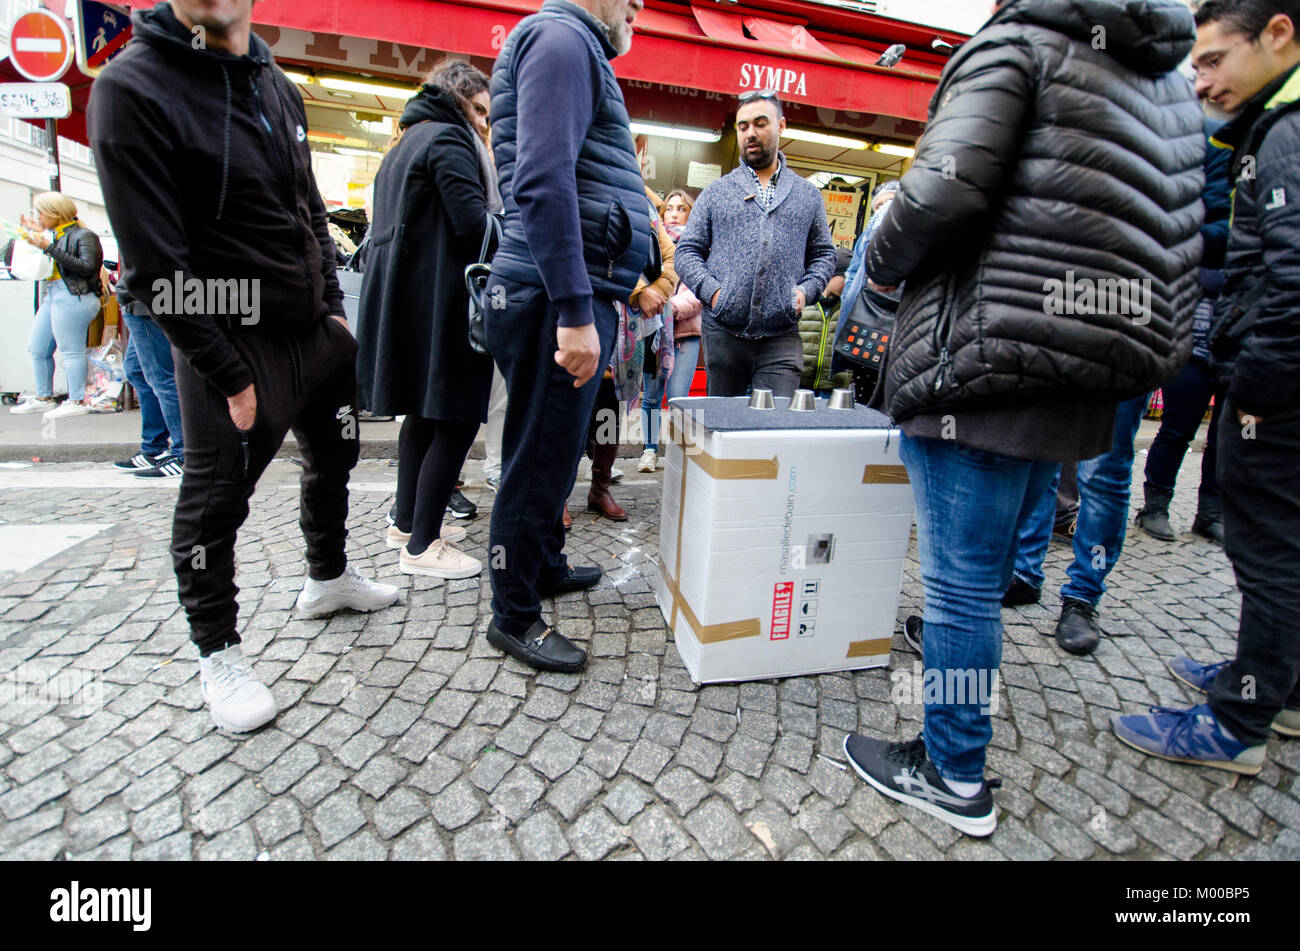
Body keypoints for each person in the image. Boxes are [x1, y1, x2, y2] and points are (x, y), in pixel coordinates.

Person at [841, 0, 1204, 836]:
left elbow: (940, 191)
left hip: (988, 354)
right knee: (988, 559)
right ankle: (950, 662)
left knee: (961, 579)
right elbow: (1181, 241)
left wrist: (884, 266)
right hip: (1089, 373)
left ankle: (952, 769)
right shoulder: (1171, 84)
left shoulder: (1022, 40)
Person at [89, 0, 399, 734]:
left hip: (313, 332)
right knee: (215, 499)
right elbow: (152, 268)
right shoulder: (130, 88)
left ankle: (327, 577)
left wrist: (332, 308)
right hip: (231, 342)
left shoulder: (274, 79)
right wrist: (227, 372)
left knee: (338, 453)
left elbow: (310, 209)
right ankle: (217, 651)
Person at [1113, 0, 1300, 774]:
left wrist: (1251, 388)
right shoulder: (1269, 128)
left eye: (1216, 58)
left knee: (1272, 556)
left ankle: (1237, 723)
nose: (1202, 78)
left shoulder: (1286, 136)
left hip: (1276, 396)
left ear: (1279, 35)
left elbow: (1290, 279)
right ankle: (1277, 691)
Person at [484, 0, 652, 673]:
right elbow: (543, 180)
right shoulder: (562, 41)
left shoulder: (570, 44)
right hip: (558, 295)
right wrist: (577, 310)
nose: (638, 7)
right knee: (539, 456)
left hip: (559, 288)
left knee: (552, 451)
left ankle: (543, 564)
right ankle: (514, 614)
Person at [356, 61, 497, 579]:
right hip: (442, 305)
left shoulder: (402, 145)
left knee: (420, 415)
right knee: (456, 418)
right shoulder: (449, 140)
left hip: (408, 304)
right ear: (459, 100)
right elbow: (471, 225)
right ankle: (422, 545)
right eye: (480, 111)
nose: (484, 124)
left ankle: (406, 519)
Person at [674, 91, 837, 398]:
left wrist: (805, 292)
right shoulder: (716, 192)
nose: (750, 133)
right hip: (723, 332)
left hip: (782, 335)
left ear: (781, 126)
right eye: (743, 126)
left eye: (761, 124)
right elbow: (687, 252)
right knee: (723, 431)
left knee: (773, 429)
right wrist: (715, 294)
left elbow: (824, 255)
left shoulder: (807, 195)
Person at [1134, 119, 1234, 545]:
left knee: (1226, 435)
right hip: (1194, 336)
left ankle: (1210, 510)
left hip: (1239, 340)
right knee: (1178, 426)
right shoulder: (1204, 216)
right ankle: (1155, 505)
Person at [593, 185, 675, 517]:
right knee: (577, 411)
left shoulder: (645, 205)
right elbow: (591, 253)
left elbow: (670, 257)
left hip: (634, 327)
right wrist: (638, 290)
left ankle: (599, 490)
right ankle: (560, 496)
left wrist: (658, 289)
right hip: (593, 313)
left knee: (609, 413)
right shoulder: (593, 191)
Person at [9, 193, 103, 419]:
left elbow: (87, 267)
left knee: (71, 350)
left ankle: (77, 400)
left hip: (74, 295)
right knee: (37, 347)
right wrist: (37, 237)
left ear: (55, 213)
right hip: (53, 293)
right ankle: (44, 397)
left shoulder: (84, 235)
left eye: (41, 212)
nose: (38, 216)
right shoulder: (56, 234)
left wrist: (48, 247)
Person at [639, 187, 699, 472]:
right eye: (670, 208)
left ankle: (675, 453)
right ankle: (649, 450)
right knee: (650, 396)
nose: (675, 214)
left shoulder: (700, 247)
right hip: (653, 331)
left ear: (691, 212)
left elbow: (698, 293)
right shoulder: (654, 243)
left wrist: (665, 305)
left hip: (685, 334)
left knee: (678, 399)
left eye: (682, 208)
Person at [114, 280, 185, 478]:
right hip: (141, 301)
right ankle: (155, 447)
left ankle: (185, 454)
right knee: (137, 372)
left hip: (145, 303)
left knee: (162, 378)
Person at [798, 248, 853, 395]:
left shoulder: (849, 309)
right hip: (800, 383)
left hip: (833, 387)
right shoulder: (806, 301)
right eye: (845, 278)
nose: (849, 283)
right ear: (833, 274)